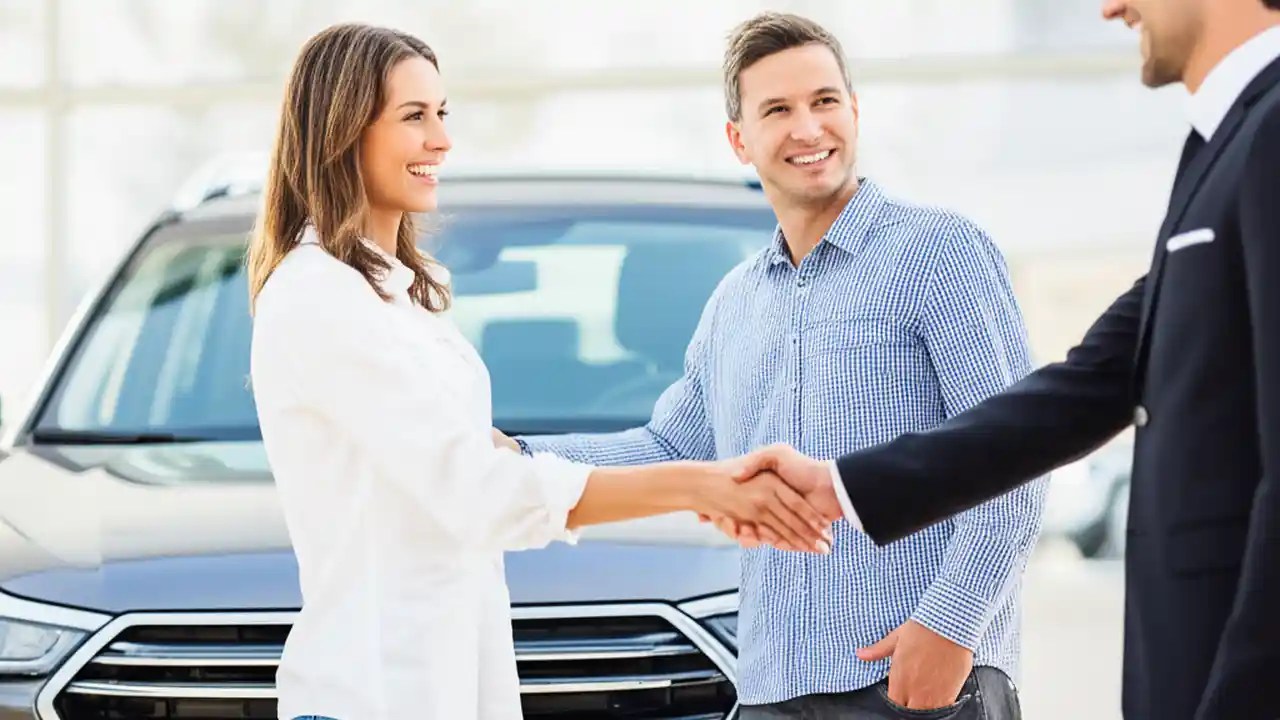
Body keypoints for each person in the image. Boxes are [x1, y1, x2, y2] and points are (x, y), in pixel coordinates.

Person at [244, 23, 833, 720]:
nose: (441, 140)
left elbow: (469, 457)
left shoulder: (403, 295)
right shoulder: (320, 296)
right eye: (414, 117)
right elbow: (475, 490)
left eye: (442, 114)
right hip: (372, 697)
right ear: (343, 131)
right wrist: (699, 484)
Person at [733, 1, 1280, 718]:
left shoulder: (1271, 134)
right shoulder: (1221, 147)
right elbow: (1083, 388)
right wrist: (846, 486)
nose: (1112, 7)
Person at [508, 12, 1045, 719]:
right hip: (771, 690)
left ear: (854, 111)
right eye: (778, 110)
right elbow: (668, 450)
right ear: (739, 139)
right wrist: (516, 456)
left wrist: (950, 626)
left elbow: (1015, 460)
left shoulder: (940, 255)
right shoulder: (735, 304)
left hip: (912, 680)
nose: (808, 128)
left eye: (824, 102)